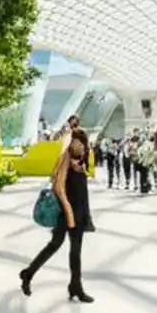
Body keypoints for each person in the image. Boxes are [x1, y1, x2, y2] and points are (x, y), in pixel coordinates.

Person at [20, 128, 95, 303]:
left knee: (74, 251)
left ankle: (75, 286)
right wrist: (69, 215)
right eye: (79, 142)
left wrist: (85, 216)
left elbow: (82, 192)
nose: (82, 146)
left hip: (79, 212)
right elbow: (59, 189)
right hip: (66, 213)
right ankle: (28, 274)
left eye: (84, 143)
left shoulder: (79, 162)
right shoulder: (66, 160)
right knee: (55, 246)